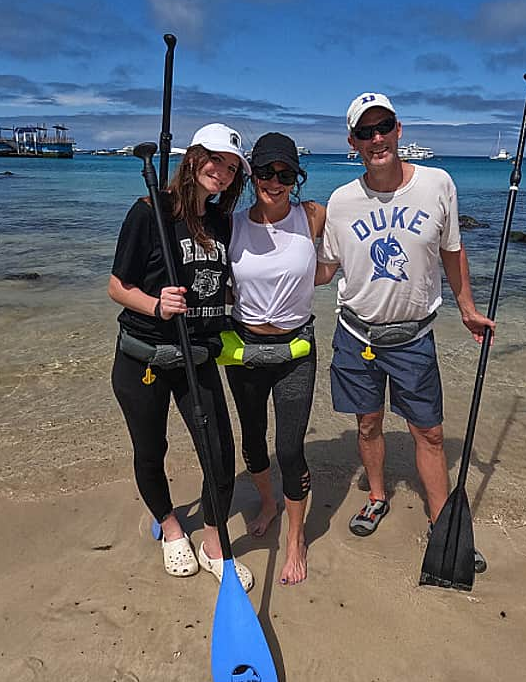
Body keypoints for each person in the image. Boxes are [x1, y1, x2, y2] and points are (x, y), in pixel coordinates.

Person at [316, 93, 493, 570]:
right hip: (356, 334)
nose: (377, 139)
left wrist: (468, 309)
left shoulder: (438, 183)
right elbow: (325, 270)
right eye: (366, 132)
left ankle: (441, 519)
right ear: (353, 142)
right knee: (368, 422)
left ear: (399, 130)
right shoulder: (341, 201)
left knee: (430, 433)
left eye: (384, 127)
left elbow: (453, 251)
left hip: (413, 337)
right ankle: (377, 495)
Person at [108, 123, 254, 592]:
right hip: (144, 357)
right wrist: (155, 304)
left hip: (197, 356)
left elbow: (221, 281)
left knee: (219, 454)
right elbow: (116, 287)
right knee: (152, 450)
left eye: (233, 168)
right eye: (217, 161)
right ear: (193, 158)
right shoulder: (149, 211)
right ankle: (170, 527)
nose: (224, 173)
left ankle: (214, 542)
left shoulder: (221, 223)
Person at [222, 132, 325, 586]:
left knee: (289, 447)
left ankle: (296, 538)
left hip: (295, 349)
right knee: (253, 441)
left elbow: (355, 245)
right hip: (243, 347)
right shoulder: (231, 223)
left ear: (296, 177)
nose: (275, 181)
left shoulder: (314, 216)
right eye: (265, 172)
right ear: (251, 174)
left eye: (285, 174)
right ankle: (267, 503)